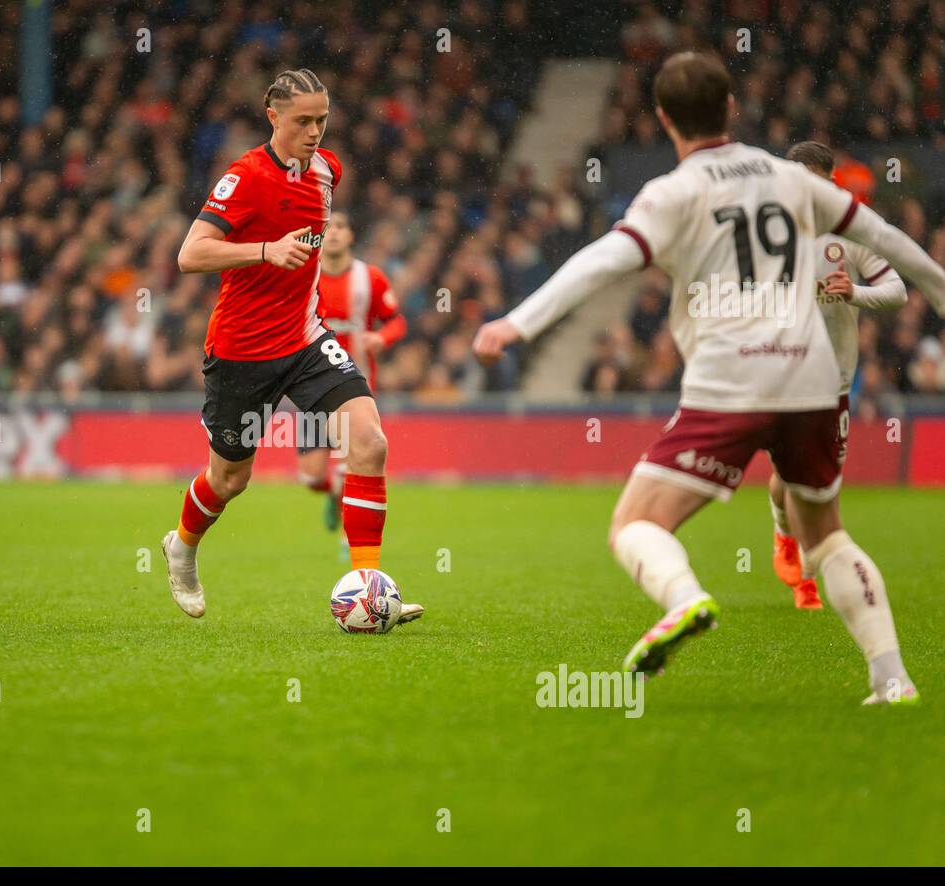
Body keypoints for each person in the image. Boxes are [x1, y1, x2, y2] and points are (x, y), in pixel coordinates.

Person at [474, 52, 945, 705]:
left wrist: (517, 323)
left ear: (664, 118)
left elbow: (605, 259)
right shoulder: (792, 179)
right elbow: (888, 241)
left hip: (730, 378)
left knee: (636, 525)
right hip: (811, 376)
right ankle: (891, 678)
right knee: (827, 535)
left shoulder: (673, 192)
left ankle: (686, 597)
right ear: (731, 107)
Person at [161, 68, 422, 625]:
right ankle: (182, 546)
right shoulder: (246, 176)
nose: (314, 132)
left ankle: (369, 588)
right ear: (272, 116)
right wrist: (264, 250)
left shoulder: (329, 171)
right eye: (302, 121)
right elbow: (191, 254)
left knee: (370, 442)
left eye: (322, 120)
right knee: (230, 479)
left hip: (306, 340)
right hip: (240, 353)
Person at [769, 141, 906, 610]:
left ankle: (798, 553)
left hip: (836, 380)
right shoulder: (769, 236)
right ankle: (797, 561)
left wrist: (855, 293)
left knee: (822, 477)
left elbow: (897, 291)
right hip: (784, 371)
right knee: (791, 474)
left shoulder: (851, 239)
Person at [297, 210, 407, 534]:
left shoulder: (369, 278)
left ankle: (354, 545)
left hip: (355, 387)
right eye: (327, 228)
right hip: (313, 386)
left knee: (354, 466)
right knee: (312, 477)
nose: (333, 233)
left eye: (341, 227)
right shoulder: (305, 276)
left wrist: (380, 337)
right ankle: (332, 494)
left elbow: (397, 321)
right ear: (318, 234)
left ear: (351, 236)